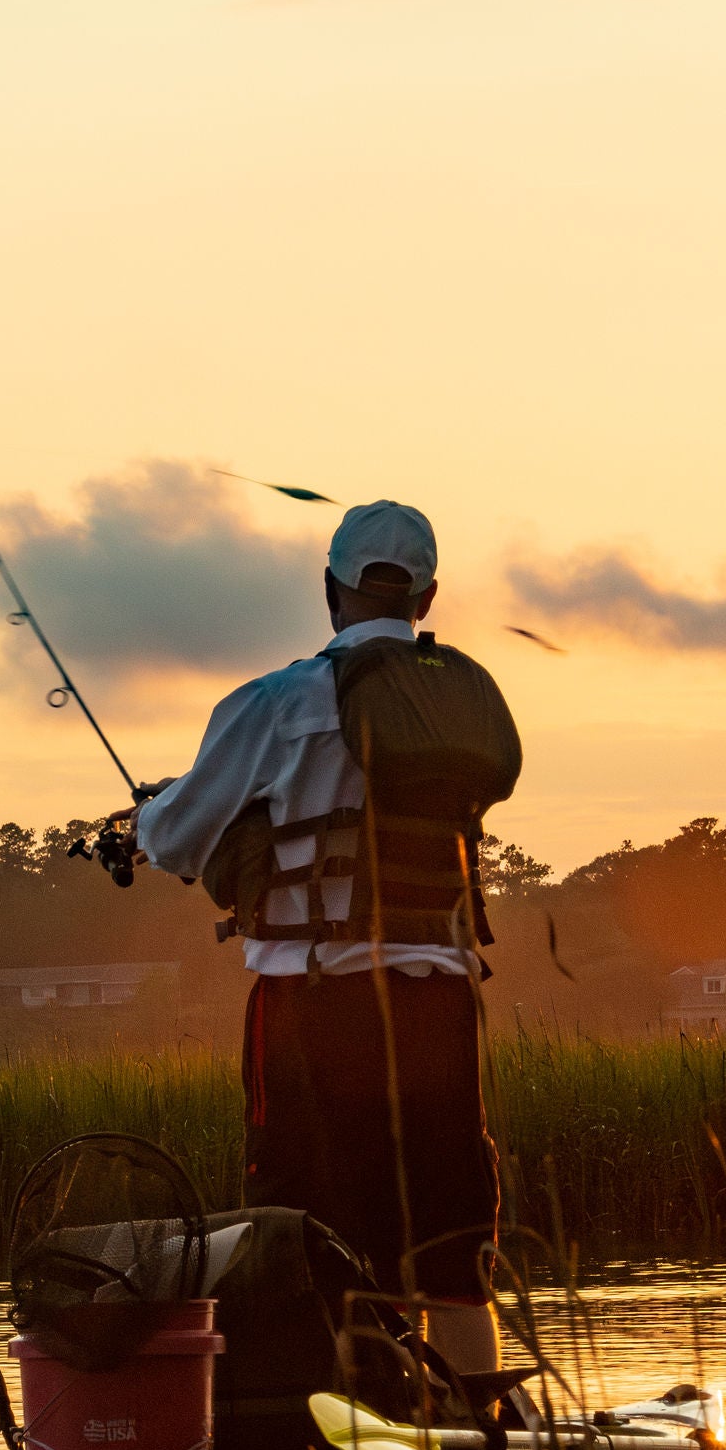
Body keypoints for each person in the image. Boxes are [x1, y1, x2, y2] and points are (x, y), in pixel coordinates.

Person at [131, 500, 507, 1379]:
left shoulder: (273, 702)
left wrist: (154, 813)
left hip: (315, 1001)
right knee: (451, 1231)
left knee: (302, 1223)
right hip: (440, 999)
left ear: (330, 588)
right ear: (428, 594)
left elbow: (177, 839)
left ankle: (334, 1428)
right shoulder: (464, 706)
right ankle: (479, 1419)